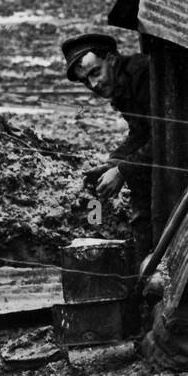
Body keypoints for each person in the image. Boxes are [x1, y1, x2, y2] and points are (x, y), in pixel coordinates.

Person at [61, 33, 154, 258]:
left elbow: (166, 138)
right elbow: (140, 133)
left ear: (111, 59)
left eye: (95, 72)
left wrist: (122, 170)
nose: (93, 84)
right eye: (86, 81)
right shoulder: (122, 82)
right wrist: (112, 162)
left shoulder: (142, 75)